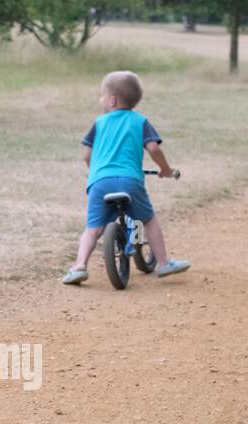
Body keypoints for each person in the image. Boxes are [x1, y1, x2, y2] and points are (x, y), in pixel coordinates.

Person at [63, 70, 189, 285]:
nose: (100, 99)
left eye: (102, 95)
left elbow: (86, 154)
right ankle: (163, 263)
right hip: (130, 180)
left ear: (111, 100)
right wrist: (165, 169)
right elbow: (153, 148)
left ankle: (79, 266)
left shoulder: (100, 123)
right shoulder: (140, 121)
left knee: (93, 228)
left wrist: (95, 171)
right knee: (148, 219)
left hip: (99, 181)